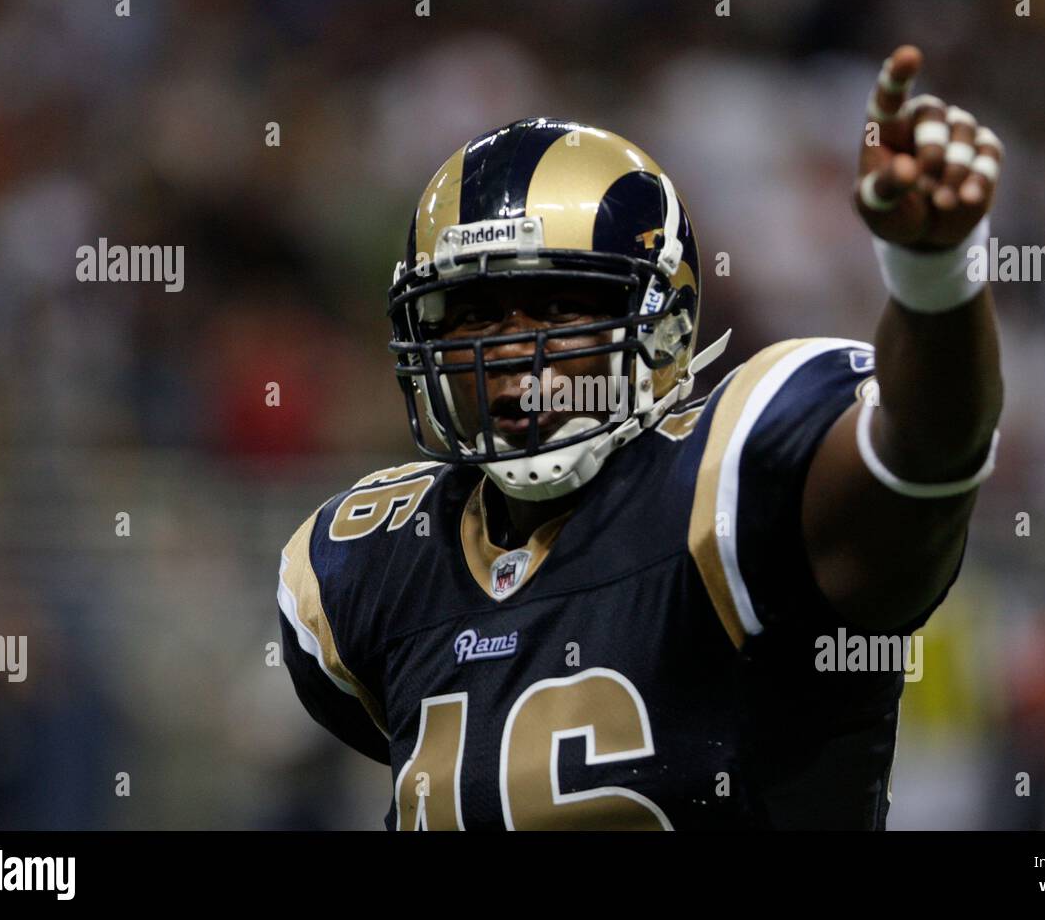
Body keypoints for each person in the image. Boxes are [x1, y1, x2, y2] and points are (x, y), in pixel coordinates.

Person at [277, 44, 1005, 829]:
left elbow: (922, 457)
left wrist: (932, 281)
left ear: (665, 326)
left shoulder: (730, 477)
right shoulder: (372, 570)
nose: (515, 350)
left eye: (559, 307)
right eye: (477, 311)